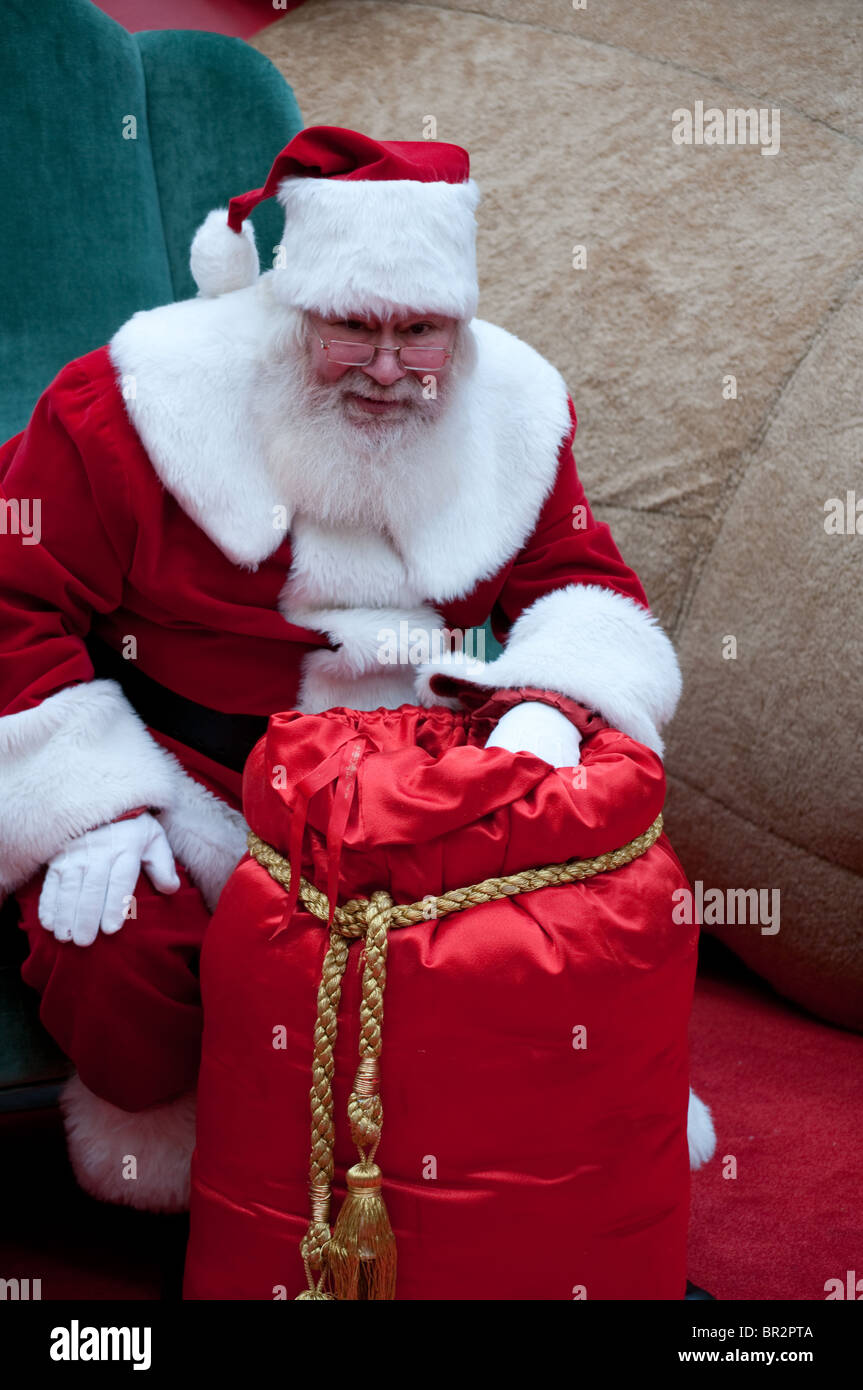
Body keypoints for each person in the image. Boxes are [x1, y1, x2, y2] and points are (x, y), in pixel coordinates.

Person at [0, 126, 713, 1211]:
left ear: (456, 328)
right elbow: (11, 595)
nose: (387, 369)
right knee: (118, 956)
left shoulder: (514, 408)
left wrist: (544, 713)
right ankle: (245, 1203)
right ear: (294, 311)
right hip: (180, 780)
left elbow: (588, 591)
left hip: (414, 792)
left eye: (419, 331)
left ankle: (485, 1204)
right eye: (352, 328)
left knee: (568, 955)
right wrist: (92, 803)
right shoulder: (131, 401)